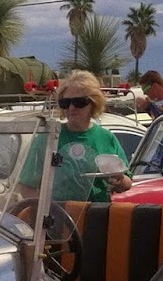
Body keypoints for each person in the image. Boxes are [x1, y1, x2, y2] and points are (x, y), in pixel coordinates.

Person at [17, 70, 134, 203]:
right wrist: (49, 213)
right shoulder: (48, 138)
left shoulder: (106, 138)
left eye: (79, 102)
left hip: (97, 215)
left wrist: (119, 180)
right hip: (59, 217)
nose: (71, 108)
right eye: (65, 103)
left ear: (93, 103)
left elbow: (127, 182)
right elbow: (26, 187)